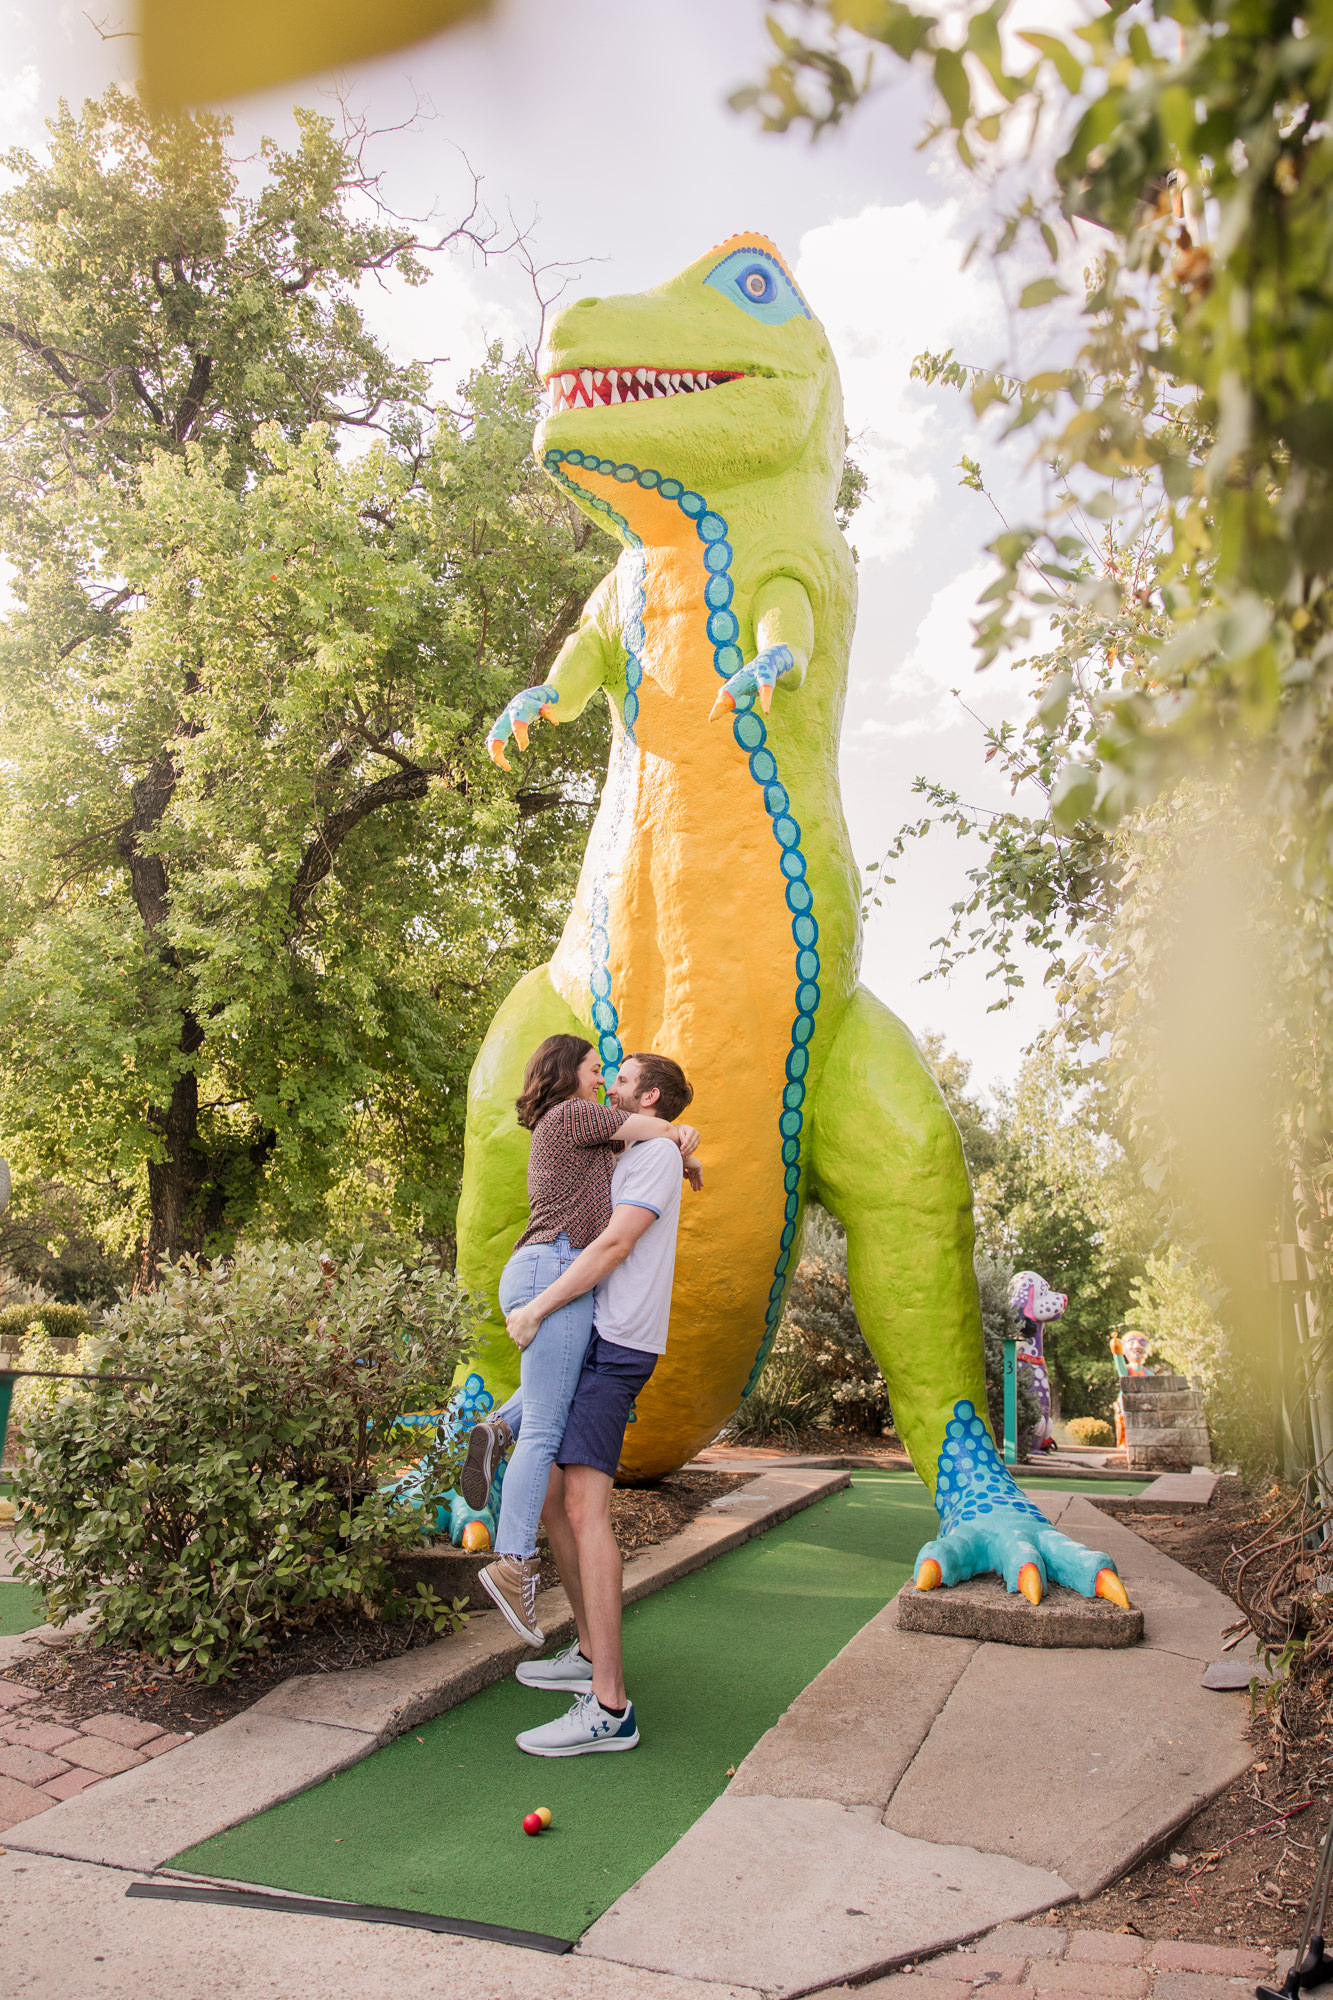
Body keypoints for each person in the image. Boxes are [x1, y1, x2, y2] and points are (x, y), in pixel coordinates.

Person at [468, 1036, 698, 1644]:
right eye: (597, 1070)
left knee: (550, 1399)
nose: (602, 1080)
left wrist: (680, 1144)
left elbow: (644, 1132)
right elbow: (649, 1127)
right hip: (554, 1268)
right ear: (570, 1073)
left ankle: (497, 1429)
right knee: (547, 1427)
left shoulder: (585, 1129)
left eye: (610, 1074)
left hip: (547, 1265)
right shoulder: (573, 1114)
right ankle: (515, 1562)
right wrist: (680, 1137)